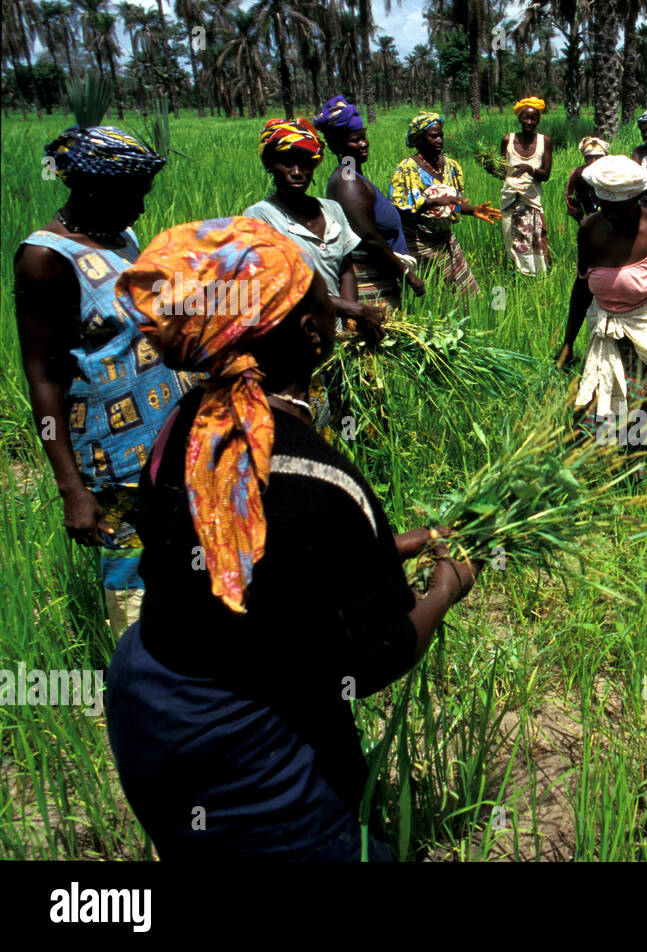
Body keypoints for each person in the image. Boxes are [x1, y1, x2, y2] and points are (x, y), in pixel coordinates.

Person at [104, 218, 479, 861]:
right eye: (321, 297)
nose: (336, 308)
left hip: (149, 693)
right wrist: (446, 588)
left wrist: (392, 545)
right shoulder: (320, 478)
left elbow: (252, 572)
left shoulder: (185, 430)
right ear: (311, 332)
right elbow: (372, 659)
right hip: (239, 726)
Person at [13, 125, 190, 635]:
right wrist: (71, 488)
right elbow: (42, 376)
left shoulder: (123, 235)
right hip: (113, 456)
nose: (140, 206)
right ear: (87, 189)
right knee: (132, 580)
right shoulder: (44, 258)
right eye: (130, 194)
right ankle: (140, 688)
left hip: (166, 433)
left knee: (179, 557)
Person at [556, 156, 647, 458]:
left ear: (638, 199)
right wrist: (568, 342)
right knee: (610, 421)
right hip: (609, 337)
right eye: (606, 209)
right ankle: (622, 477)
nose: (612, 217)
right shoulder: (591, 227)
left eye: (620, 210)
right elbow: (581, 289)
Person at [242, 118, 382, 340]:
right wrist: (354, 309)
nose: (297, 172)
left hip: (334, 333)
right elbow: (283, 288)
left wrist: (349, 322)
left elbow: (345, 270)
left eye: (305, 163)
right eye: (287, 163)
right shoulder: (259, 218)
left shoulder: (332, 209)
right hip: (291, 337)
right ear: (270, 165)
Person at [314, 95, 425, 308]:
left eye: (364, 137)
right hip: (370, 283)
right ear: (337, 147)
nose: (364, 144)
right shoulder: (348, 182)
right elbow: (369, 237)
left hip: (382, 275)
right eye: (355, 140)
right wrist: (408, 276)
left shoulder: (352, 173)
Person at [390, 111, 500, 295]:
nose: (439, 139)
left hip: (446, 239)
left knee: (467, 293)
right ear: (419, 139)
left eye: (441, 135)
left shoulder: (452, 167)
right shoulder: (406, 170)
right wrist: (432, 202)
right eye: (433, 136)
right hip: (419, 242)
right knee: (433, 295)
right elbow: (400, 209)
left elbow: (453, 203)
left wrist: (473, 210)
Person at [500, 97, 554, 275]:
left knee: (537, 241)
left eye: (534, 119)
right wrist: (489, 166)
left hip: (532, 199)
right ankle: (517, 276)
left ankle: (538, 278)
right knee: (512, 241)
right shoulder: (507, 140)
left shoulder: (544, 141)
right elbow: (502, 172)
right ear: (519, 118)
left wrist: (529, 169)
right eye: (526, 118)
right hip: (509, 199)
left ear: (538, 120)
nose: (529, 122)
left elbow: (545, 175)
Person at [565, 136, 609, 222]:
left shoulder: (613, 172)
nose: (593, 161)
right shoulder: (578, 174)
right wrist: (582, 219)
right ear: (585, 159)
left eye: (597, 157)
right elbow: (571, 199)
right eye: (589, 158)